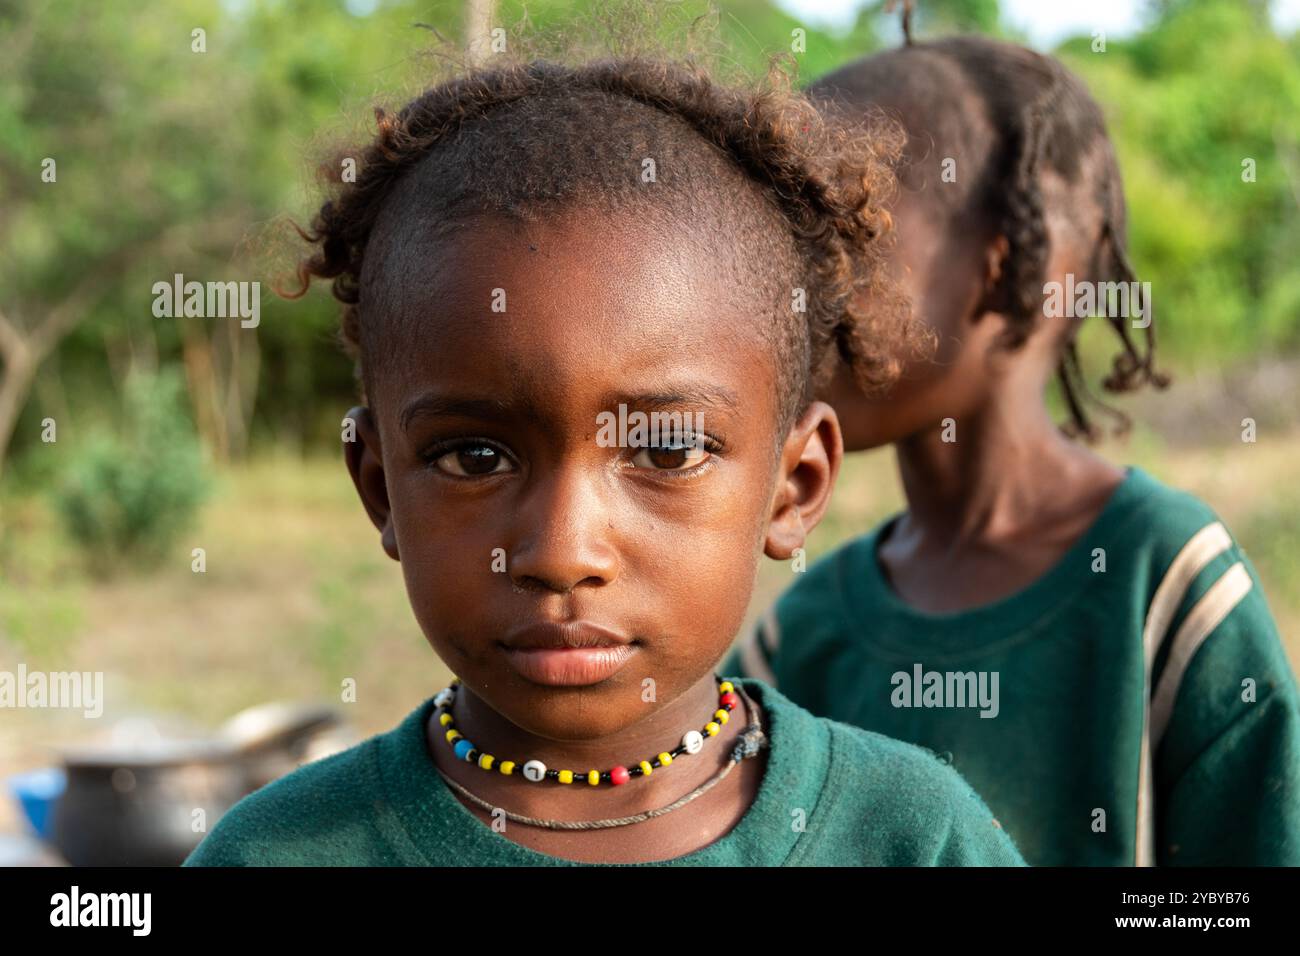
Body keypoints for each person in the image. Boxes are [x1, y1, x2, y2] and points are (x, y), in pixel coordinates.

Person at [184, 48, 1021, 867]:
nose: (561, 554)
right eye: (474, 457)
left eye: (666, 451)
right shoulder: (278, 852)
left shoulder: (911, 835)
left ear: (793, 486)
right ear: (379, 489)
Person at [725, 35, 1300, 866]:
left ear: (1003, 272)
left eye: (847, 236)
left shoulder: (1166, 582)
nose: (797, 289)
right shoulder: (800, 635)